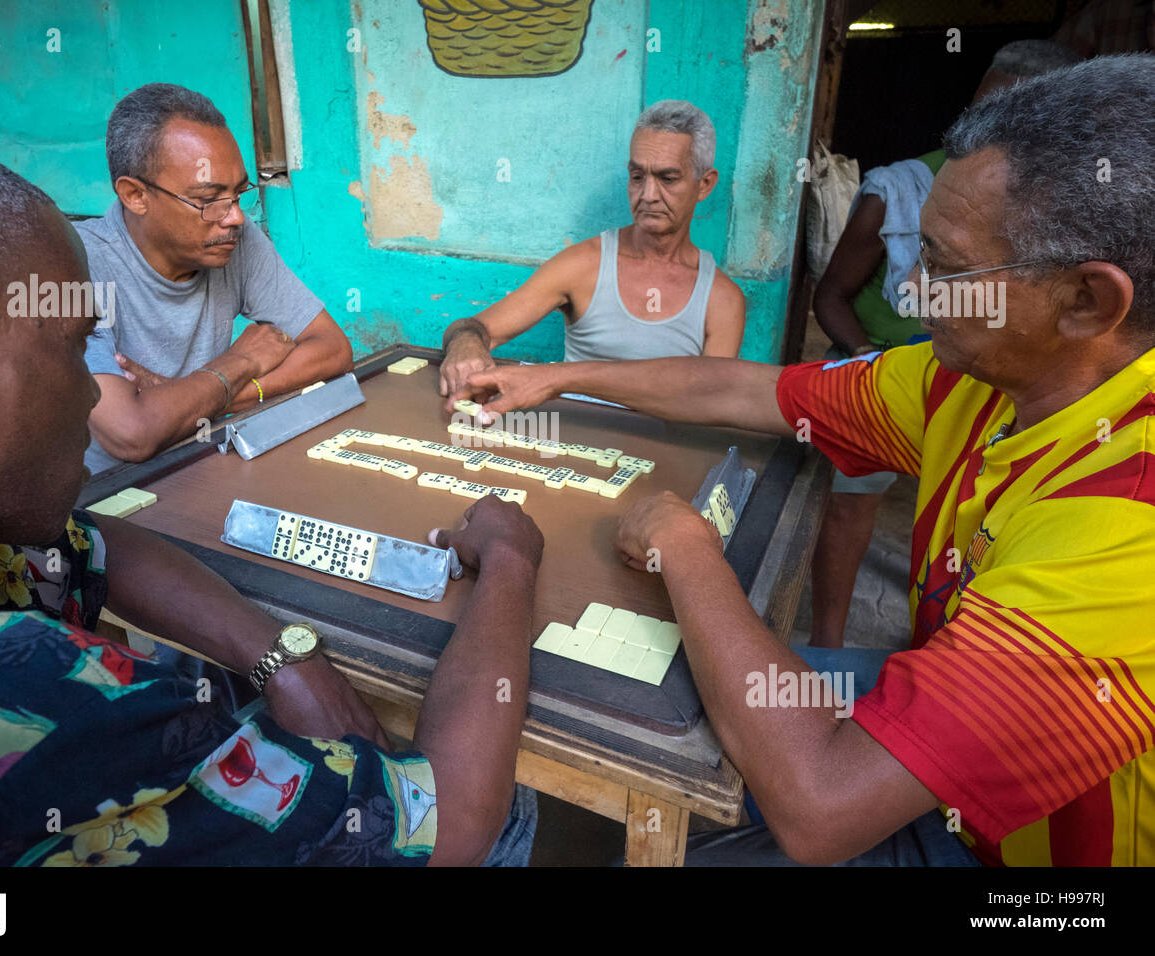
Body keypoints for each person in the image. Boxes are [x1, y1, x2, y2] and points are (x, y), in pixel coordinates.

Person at [463, 55, 1155, 865]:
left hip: (1019, 862)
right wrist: (554, 375)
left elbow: (823, 805)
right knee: (660, 687)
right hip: (943, 709)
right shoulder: (972, 381)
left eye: (949, 270)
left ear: (1087, 301)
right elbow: (751, 394)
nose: (913, 297)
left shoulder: (1125, 524)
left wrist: (684, 545)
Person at [0, 107, 541, 867]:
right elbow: (443, 824)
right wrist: (509, 557)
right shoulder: (41, 699)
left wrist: (284, 654)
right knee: (512, 815)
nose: (90, 394)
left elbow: (90, 543)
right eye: (77, 348)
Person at [808, 39, 1081, 648]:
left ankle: (935, 653)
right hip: (886, 371)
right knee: (854, 503)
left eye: (943, 262)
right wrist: (864, 359)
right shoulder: (900, 190)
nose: (917, 284)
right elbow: (828, 300)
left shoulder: (1068, 232)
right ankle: (826, 648)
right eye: (982, 113)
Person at [79, 83, 353, 474]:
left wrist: (196, 396)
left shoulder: (232, 239)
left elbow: (332, 349)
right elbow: (131, 434)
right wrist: (240, 361)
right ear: (135, 195)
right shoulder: (70, 268)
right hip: (101, 502)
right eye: (209, 200)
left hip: (198, 463)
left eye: (239, 194)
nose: (235, 217)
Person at [439, 99, 746, 410]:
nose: (648, 195)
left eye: (668, 179)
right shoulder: (583, 265)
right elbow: (473, 328)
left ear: (704, 185)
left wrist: (556, 377)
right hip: (572, 448)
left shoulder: (721, 299)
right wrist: (466, 344)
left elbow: (710, 401)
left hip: (662, 454)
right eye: (637, 177)